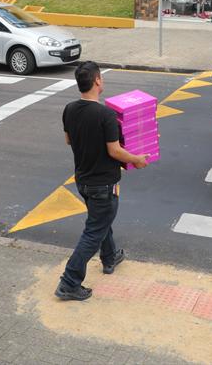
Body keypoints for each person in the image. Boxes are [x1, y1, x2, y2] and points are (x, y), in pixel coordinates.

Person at [56, 61, 149, 301]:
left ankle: (110, 258)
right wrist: (137, 159)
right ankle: (69, 282)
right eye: (102, 78)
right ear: (97, 81)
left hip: (83, 181)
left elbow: (68, 140)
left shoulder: (69, 109)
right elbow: (115, 151)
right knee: (94, 230)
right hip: (103, 184)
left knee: (100, 220)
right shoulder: (105, 115)